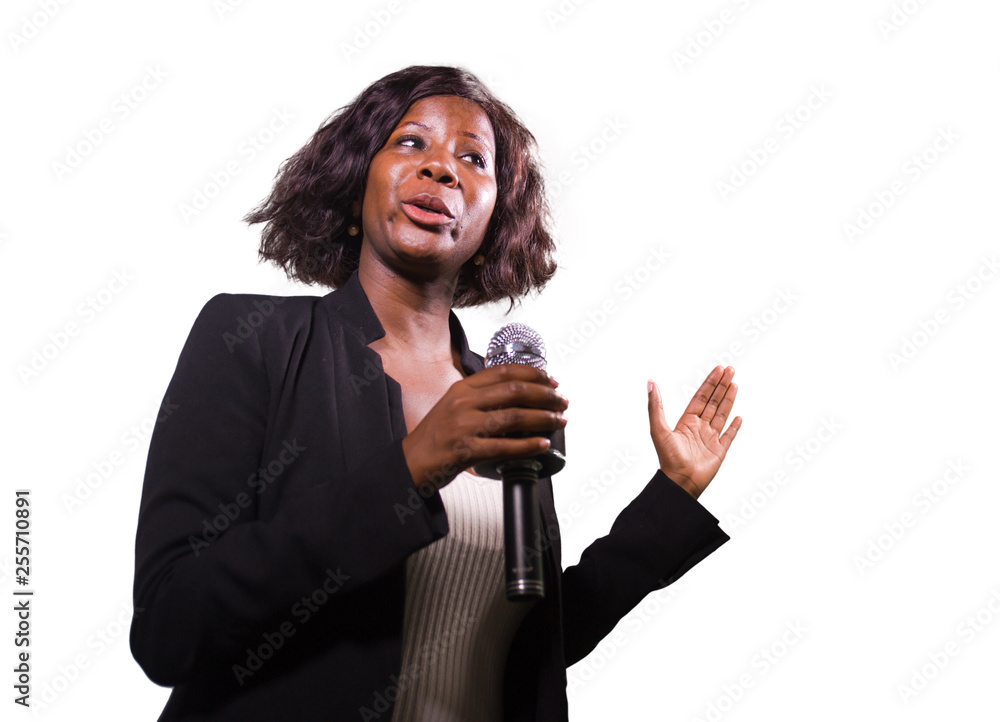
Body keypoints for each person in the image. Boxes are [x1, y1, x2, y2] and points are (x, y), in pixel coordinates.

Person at [129, 65, 742, 722]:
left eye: (473, 159)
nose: (443, 170)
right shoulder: (254, 341)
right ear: (356, 178)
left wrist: (669, 502)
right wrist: (412, 466)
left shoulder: (504, 399)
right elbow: (171, 626)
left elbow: (524, 647)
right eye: (412, 143)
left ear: (493, 222)